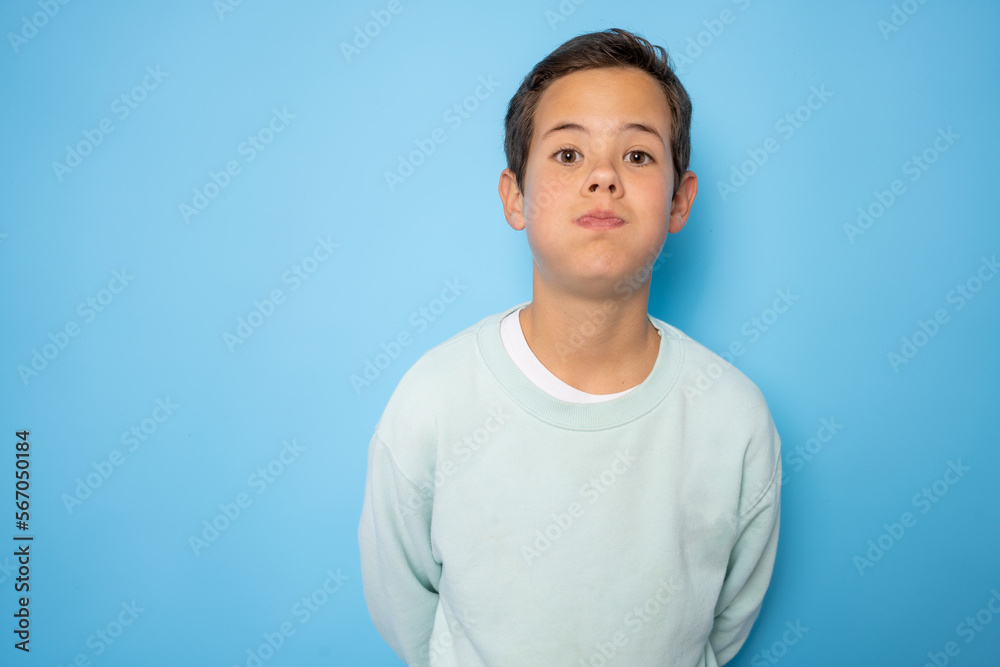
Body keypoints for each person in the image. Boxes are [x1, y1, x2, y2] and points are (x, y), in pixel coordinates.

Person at [358, 27, 782, 666]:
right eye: (567, 155)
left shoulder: (733, 417)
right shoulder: (435, 400)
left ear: (680, 200)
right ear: (515, 197)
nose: (604, 177)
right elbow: (405, 605)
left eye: (638, 156)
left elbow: (724, 621)